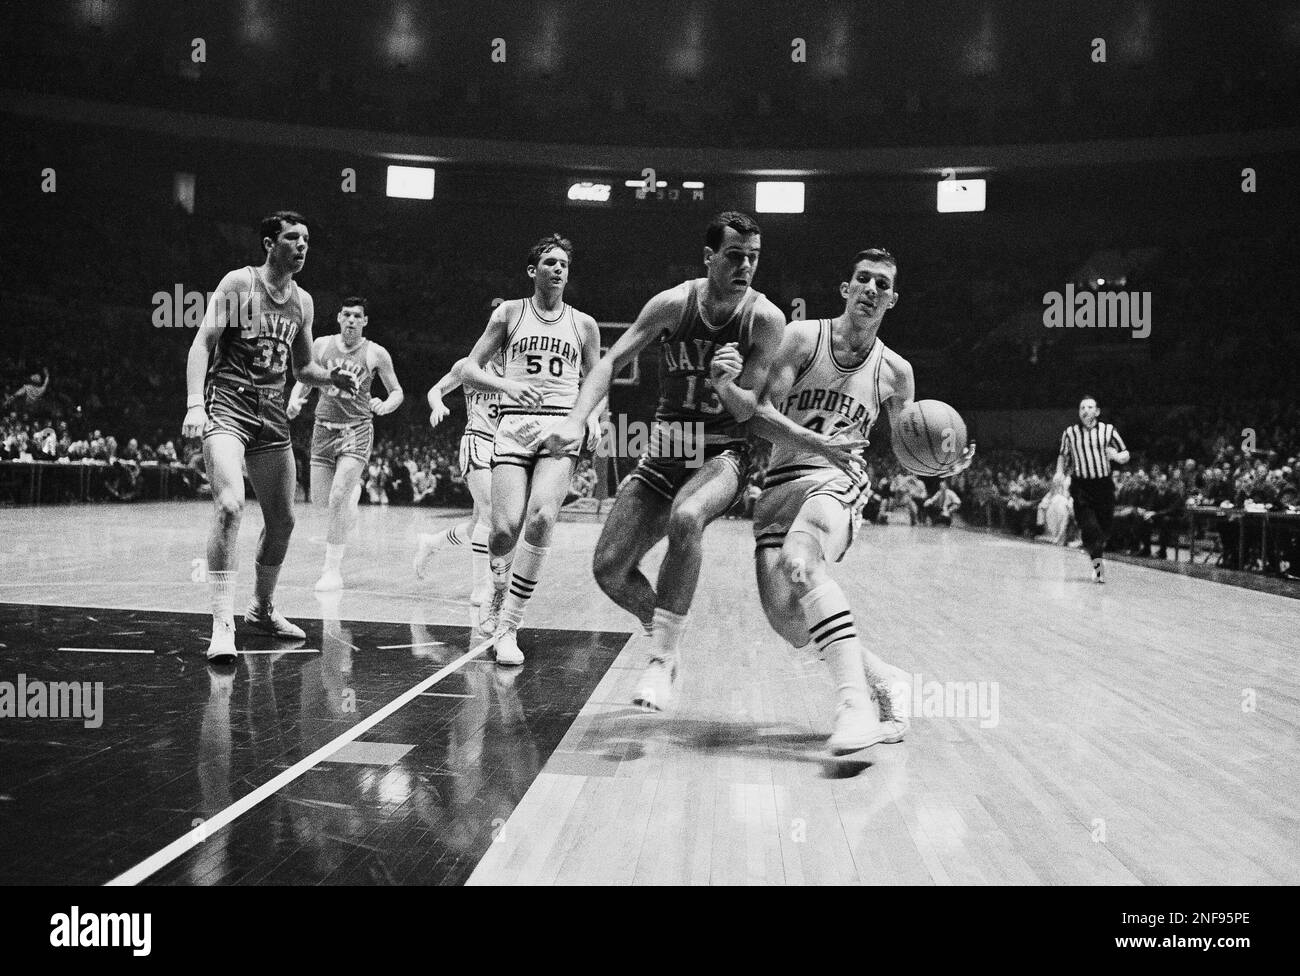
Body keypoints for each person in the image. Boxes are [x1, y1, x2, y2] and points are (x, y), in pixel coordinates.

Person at [715, 248, 974, 754]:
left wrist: (942, 461)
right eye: (862, 280)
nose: (871, 289)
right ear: (846, 289)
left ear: (892, 300)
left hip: (839, 479)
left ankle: (854, 707)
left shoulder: (897, 372)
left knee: (801, 561)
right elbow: (759, 414)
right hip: (781, 483)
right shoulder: (800, 338)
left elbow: (905, 447)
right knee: (788, 621)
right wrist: (812, 441)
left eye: (882, 284)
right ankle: (886, 679)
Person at [542, 212, 786, 710]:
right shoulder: (674, 304)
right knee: (610, 569)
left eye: (753, 258)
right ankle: (666, 637)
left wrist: (724, 385)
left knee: (687, 517)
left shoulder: (765, 319)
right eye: (735, 255)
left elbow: (753, 411)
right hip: (670, 445)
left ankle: (659, 659)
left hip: (723, 449)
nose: (745, 266)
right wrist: (575, 419)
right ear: (709, 256)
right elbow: (610, 361)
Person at [181, 211, 358, 662]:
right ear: (268, 243)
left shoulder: (304, 302)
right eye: (293, 238)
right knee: (229, 504)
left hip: (273, 411)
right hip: (229, 402)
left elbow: (303, 368)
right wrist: (194, 404)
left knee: (283, 521)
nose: (302, 246)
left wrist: (333, 378)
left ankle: (261, 610)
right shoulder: (240, 285)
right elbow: (202, 343)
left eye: (307, 239)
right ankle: (223, 623)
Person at [460, 234, 602, 665]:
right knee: (503, 529)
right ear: (532, 271)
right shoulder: (509, 313)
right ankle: (497, 592)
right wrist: (506, 384)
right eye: (549, 263)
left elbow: (598, 380)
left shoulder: (584, 324)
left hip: (561, 426)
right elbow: (467, 367)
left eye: (564, 263)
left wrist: (592, 419)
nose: (558, 269)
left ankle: (509, 626)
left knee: (541, 516)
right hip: (514, 424)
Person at [287, 296, 403, 591]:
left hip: (357, 429)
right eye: (347, 315)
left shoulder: (376, 353)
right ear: (339, 317)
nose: (351, 320)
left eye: (357, 316)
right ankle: (353, 496)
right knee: (322, 502)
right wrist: (295, 398)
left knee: (338, 495)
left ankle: (331, 570)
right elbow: (305, 374)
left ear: (365, 322)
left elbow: (397, 392)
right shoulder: (322, 345)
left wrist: (387, 405)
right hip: (323, 428)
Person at [414, 352, 504, 623]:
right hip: (477, 440)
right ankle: (480, 589)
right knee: (491, 515)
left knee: (478, 525)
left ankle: (433, 542)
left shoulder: (519, 364)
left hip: (505, 447)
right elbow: (436, 389)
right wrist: (437, 405)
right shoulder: (470, 365)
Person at [1056, 394, 1130, 583]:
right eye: (1082, 408)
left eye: (1089, 407)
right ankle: (1098, 568)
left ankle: (1097, 554)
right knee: (1090, 529)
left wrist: (1118, 457)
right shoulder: (1070, 433)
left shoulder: (1108, 430)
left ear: (1097, 411)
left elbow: (1125, 453)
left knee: (1104, 529)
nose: (1085, 411)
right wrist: (1059, 472)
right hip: (1081, 486)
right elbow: (1063, 455)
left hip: (1103, 486)